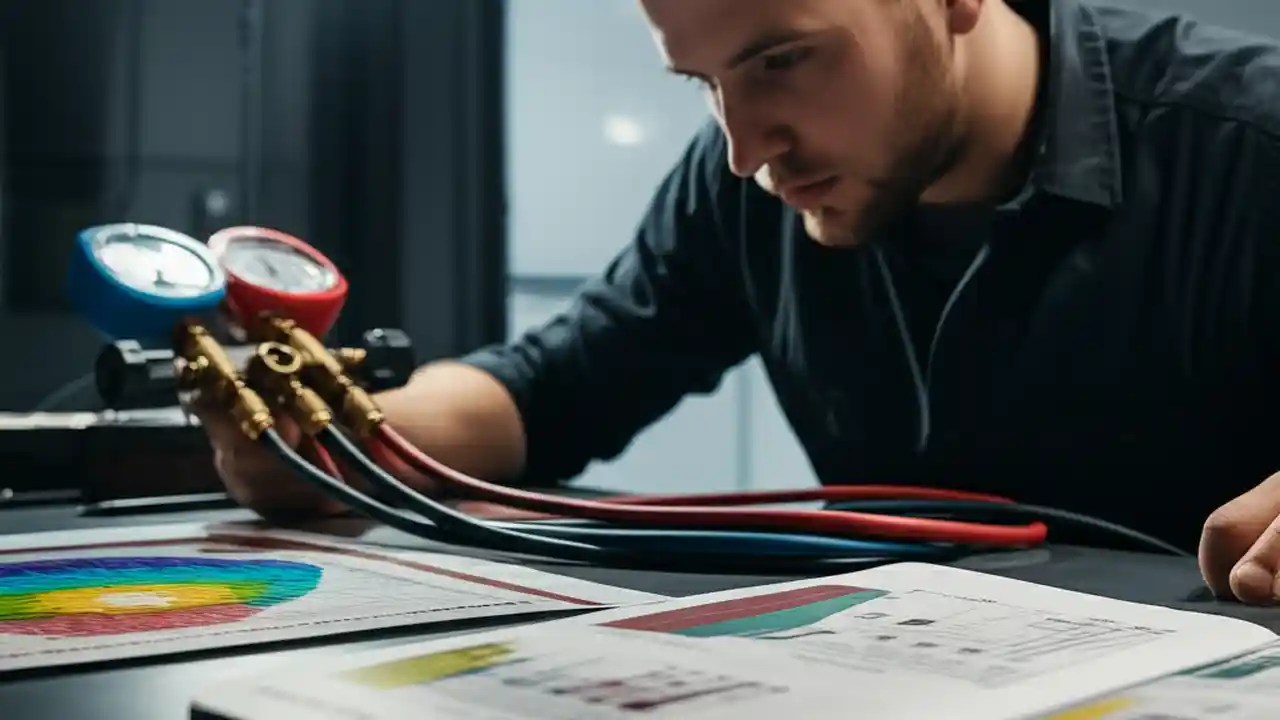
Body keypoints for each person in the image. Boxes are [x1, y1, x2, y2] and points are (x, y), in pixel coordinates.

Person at [196, 0, 1280, 606]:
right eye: (703, 83)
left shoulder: (1248, 144)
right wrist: (345, 434)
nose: (742, 147)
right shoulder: (752, 194)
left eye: (779, 59)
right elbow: (559, 384)